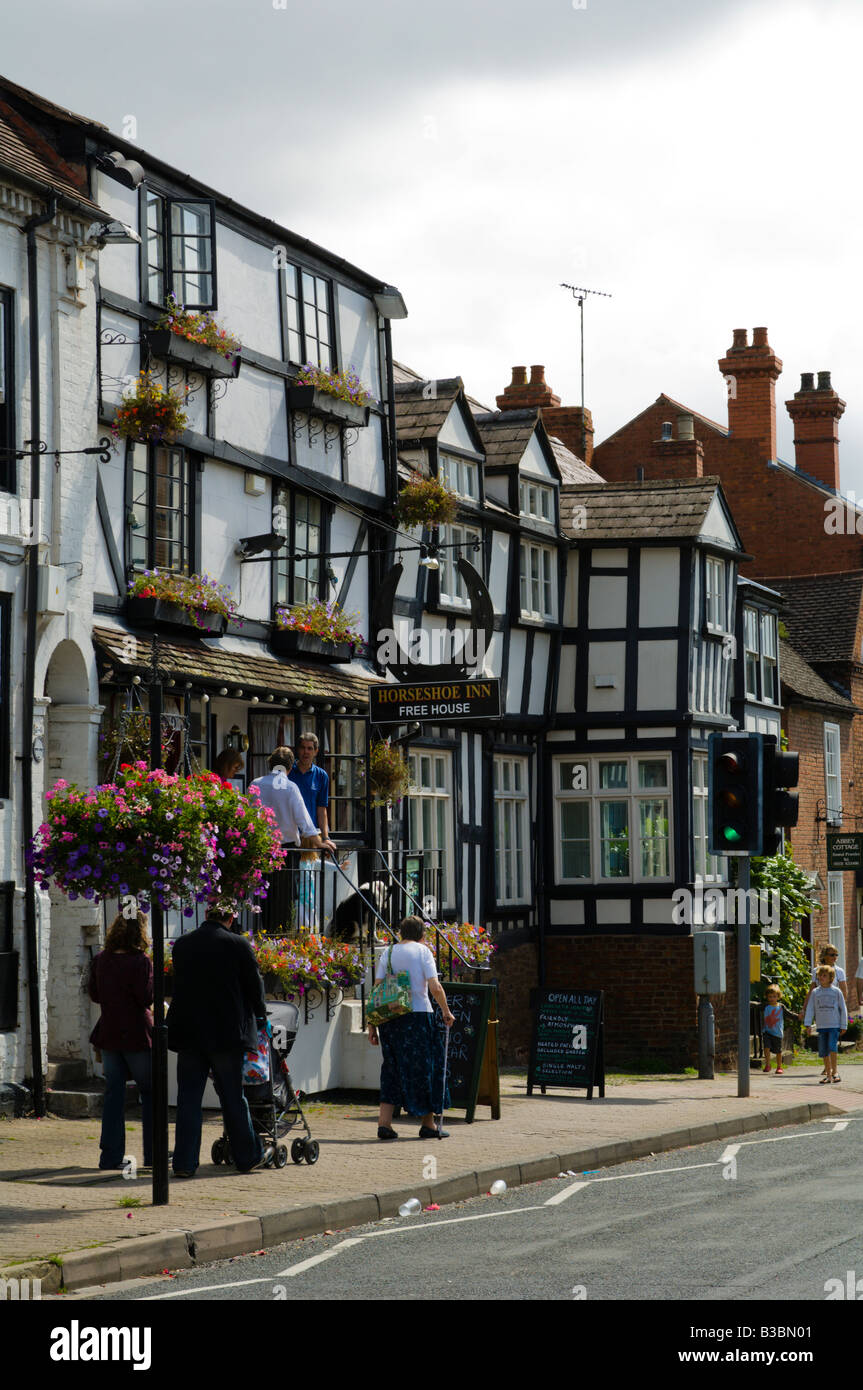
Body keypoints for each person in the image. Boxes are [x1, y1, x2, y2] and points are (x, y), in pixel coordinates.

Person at [167, 903, 269, 1175]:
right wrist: (261, 1016)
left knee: (188, 1098)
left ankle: (184, 1163)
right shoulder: (238, 944)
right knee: (232, 1096)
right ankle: (247, 1157)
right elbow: (254, 986)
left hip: (189, 1032)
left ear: (206, 914)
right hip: (226, 1033)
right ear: (232, 916)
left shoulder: (183, 945)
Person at [367, 916, 455, 1141]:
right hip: (417, 1016)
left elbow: (377, 990)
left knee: (391, 1068)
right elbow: (434, 986)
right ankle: (428, 1125)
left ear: (400, 932)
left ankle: (384, 1125)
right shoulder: (423, 952)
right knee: (423, 1069)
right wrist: (445, 1010)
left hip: (391, 1018)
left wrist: (372, 1025)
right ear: (422, 934)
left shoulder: (388, 952)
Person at [87, 913, 153, 1171]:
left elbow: (94, 994)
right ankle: (153, 1153)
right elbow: (145, 997)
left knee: (114, 1094)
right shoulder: (140, 961)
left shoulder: (101, 959)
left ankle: (110, 1156)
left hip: (110, 1032)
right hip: (137, 1034)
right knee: (150, 1092)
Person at [802, 946, 847, 1077]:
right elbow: (811, 992)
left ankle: (834, 1070)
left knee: (832, 1044)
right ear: (825, 956)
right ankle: (827, 1069)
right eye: (832, 955)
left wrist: (842, 1014)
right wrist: (804, 1010)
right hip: (821, 1013)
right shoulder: (817, 971)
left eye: (836, 955)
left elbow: (844, 991)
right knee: (823, 1045)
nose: (834, 958)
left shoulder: (839, 972)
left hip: (834, 1012)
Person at [290, 731, 336, 853]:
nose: (306, 752)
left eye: (310, 748)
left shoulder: (322, 776)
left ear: (316, 751)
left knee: (308, 871)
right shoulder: (288, 772)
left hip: (311, 838)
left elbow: (322, 809)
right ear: (298, 750)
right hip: (289, 837)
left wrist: (325, 838)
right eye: (303, 748)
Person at [761, 984, 785, 1074]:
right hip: (767, 1031)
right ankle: (768, 1064)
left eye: (774, 996)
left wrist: (798, 1016)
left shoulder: (781, 1007)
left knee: (778, 1051)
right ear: (767, 997)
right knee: (766, 1047)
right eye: (770, 996)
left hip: (777, 1033)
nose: (772, 998)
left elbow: (789, 1014)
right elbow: (756, 1005)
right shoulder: (765, 1006)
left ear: (778, 997)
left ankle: (779, 1066)